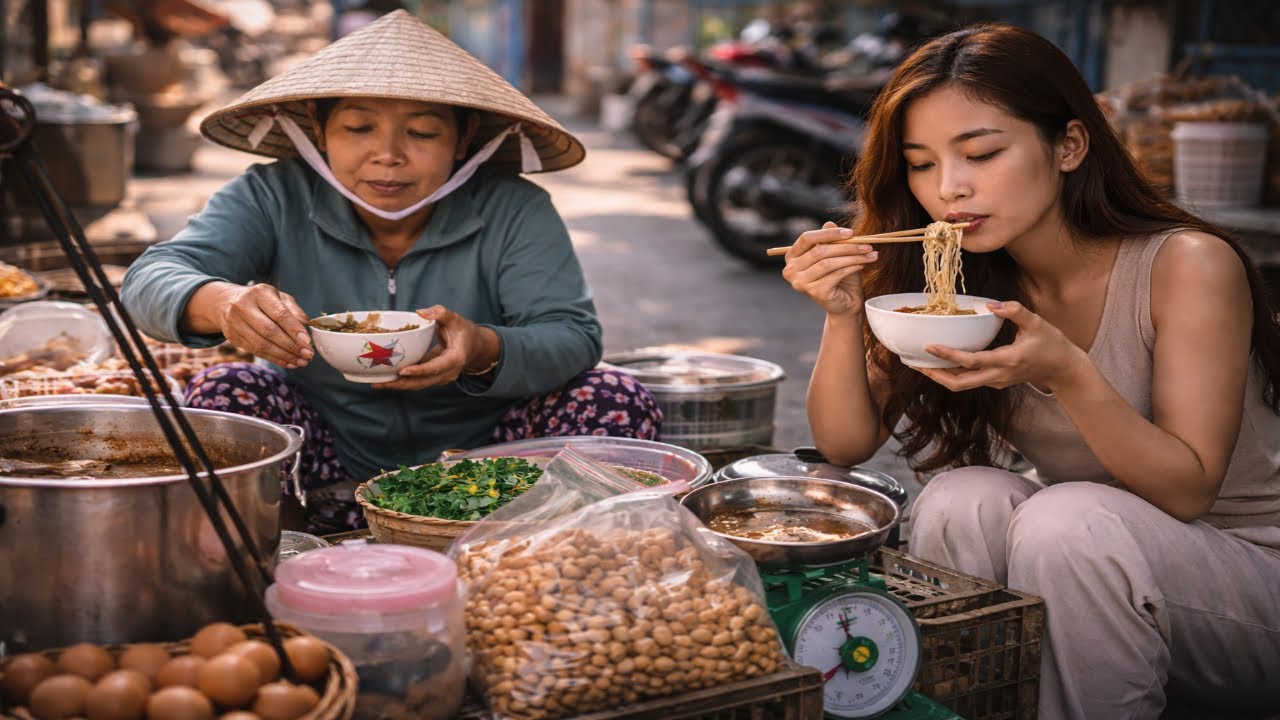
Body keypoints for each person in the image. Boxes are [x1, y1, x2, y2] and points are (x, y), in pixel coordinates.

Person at [781, 23, 1279, 720]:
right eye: (921, 164)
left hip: (1246, 585)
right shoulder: (964, 283)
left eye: (982, 153)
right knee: (961, 498)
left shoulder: (1187, 265)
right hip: (1090, 566)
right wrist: (842, 314)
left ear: (1069, 145)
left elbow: (1188, 490)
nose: (948, 189)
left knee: (1066, 519)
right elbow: (843, 444)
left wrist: (1069, 373)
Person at [121, 10, 662, 534]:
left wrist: (481, 349)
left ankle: (542, 553)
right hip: (325, 464)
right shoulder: (272, 195)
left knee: (612, 395)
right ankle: (282, 557)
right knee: (226, 392)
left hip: (492, 466)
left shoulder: (514, 207)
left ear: (464, 137)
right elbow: (150, 278)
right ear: (319, 128)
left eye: (422, 133)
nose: (387, 155)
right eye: (358, 127)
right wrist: (224, 303)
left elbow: (571, 335)